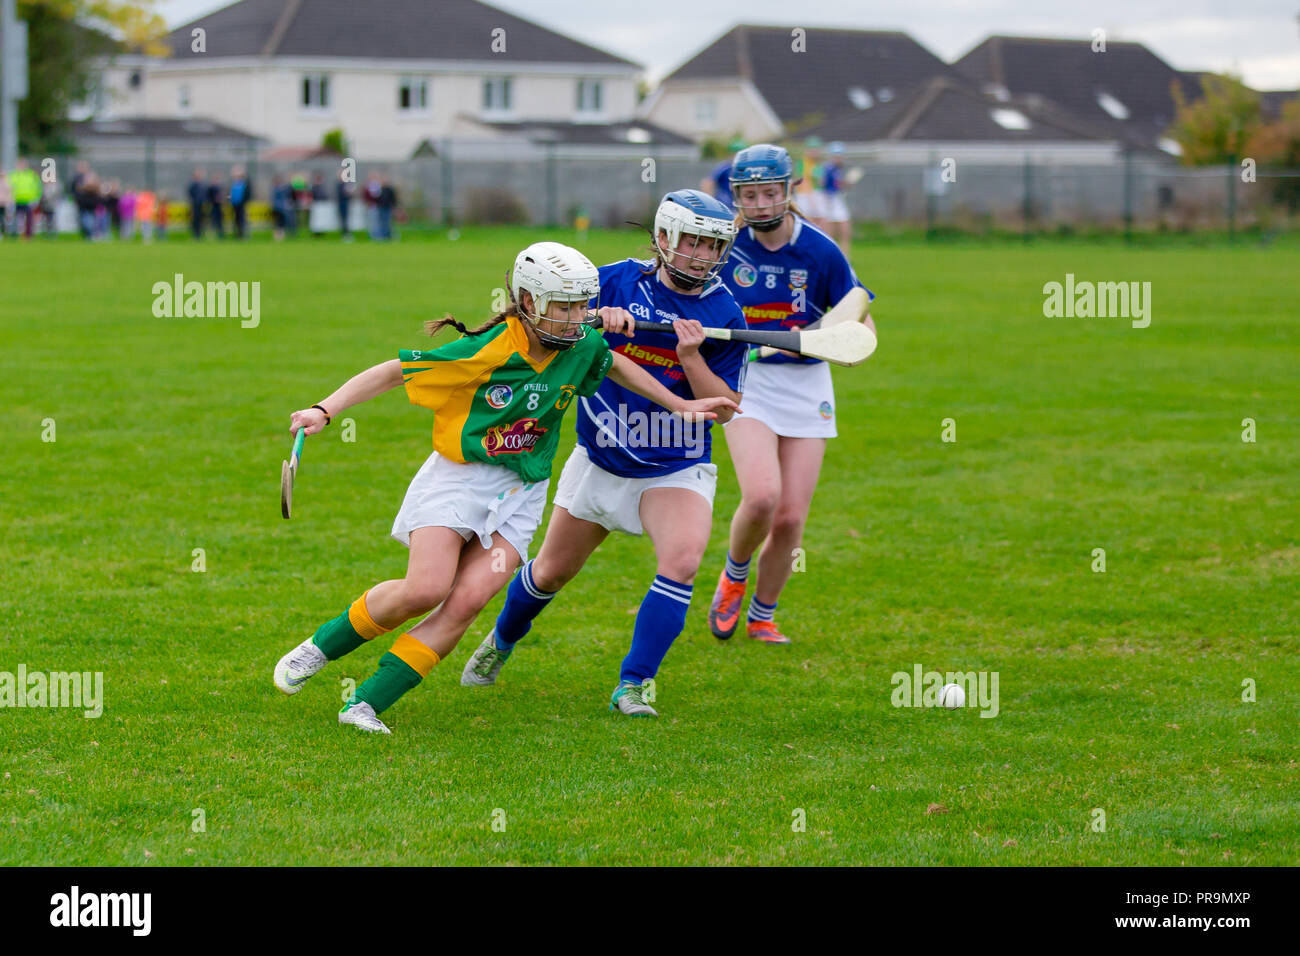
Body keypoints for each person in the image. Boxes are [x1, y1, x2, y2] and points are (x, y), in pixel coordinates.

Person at [272, 242, 735, 734]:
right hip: (458, 478)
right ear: (530, 302)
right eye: (566, 306)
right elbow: (394, 371)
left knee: (469, 601)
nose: (579, 318)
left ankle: (364, 704)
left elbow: (616, 364)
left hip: (522, 494)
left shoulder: (580, 344)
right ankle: (318, 648)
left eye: (584, 305)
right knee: (425, 588)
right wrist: (325, 410)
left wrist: (678, 404)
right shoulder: (489, 350)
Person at [461, 189, 746, 718]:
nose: (704, 256)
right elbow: (545, 332)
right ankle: (499, 641)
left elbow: (725, 407)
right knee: (549, 572)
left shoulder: (725, 310)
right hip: (601, 458)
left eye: (714, 245)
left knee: (682, 562)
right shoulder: (611, 281)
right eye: (694, 242)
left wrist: (689, 355)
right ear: (663, 239)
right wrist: (592, 318)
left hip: (676, 464)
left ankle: (633, 685)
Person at [706, 144, 875, 645]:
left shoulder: (820, 249)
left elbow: (857, 306)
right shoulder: (725, 246)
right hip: (746, 384)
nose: (758, 204)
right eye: (748, 195)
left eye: (768, 193)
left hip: (807, 388)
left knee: (790, 517)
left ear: (788, 191)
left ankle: (763, 614)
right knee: (761, 496)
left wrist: (834, 333)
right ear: (736, 195)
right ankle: (734, 577)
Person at [819, 142, 852, 253]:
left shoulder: (837, 169)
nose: (840, 158)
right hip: (830, 200)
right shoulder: (828, 168)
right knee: (830, 232)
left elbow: (838, 185)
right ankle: (830, 256)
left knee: (845, 231)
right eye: (837, 156)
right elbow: (823, 184)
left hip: (836, 199)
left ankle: (844, 256)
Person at [699, 137, 746, 211]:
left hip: (741, 207)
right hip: (725, 206)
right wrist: (710, 202)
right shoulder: (725, 167)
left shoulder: (746, 168)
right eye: (735, 153)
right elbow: (708, 183)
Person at [8, 159, 41, 239]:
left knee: (29, 219)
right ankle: (14, 234)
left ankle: (28, 235)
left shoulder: (32, 175)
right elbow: (8, 188)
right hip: (16, 200)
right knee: (15, 219)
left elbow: (38, 187)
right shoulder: (13, 175)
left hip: (28, 200)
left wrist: (36, 198)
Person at [229, 166, 251, 239]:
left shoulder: (245, 184)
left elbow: (247, 194)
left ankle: (243, 235)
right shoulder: (233, 184)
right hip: (234, 205)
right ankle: (237, 235)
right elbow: (230, 195)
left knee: (243, 220)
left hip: (242, 205)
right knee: (236, 220)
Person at [187, 168, 206, 239]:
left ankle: (200, 234)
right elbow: (190, 194)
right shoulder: (192, 185)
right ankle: (195, 234)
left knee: (201, 220)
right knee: (194, 220)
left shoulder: (202, 185)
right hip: (195, 205)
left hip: (201, 205)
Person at [336, 167, 354, 241]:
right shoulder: (339, 184)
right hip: (342, 204)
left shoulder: (345, 184)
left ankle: (346, 234)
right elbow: (341, 194)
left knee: (346, 220)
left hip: (345, 204)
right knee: (343, 220)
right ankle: (345, 234)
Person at [207, 173, 225, 238]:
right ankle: (212, 235)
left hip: (220, 207)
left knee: (220, 221)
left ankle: (221, 234)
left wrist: (222, 200)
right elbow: (208, 197)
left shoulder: (221, 187)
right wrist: (213, 200)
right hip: (213, 206)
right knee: (213, 221)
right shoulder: (210, 188)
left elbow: (225, 196)